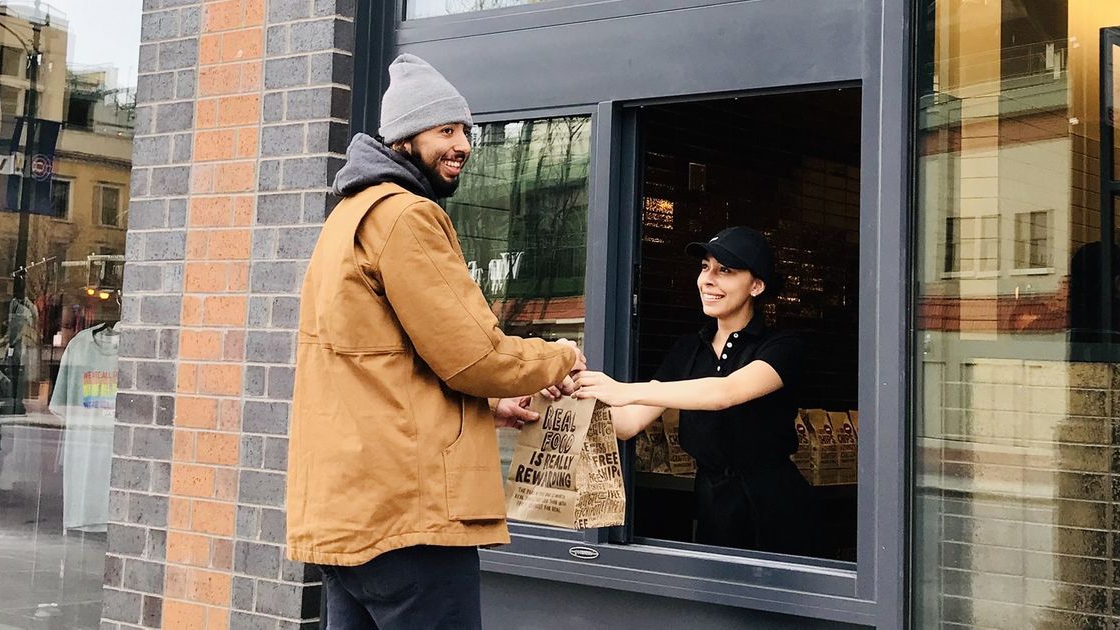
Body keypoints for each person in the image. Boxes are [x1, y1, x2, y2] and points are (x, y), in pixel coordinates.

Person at [286, 54, 584, 629]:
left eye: (465, 131)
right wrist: (559, 356)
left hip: (349, 514)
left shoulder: (347, 217)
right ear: (403, 138)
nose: (463, 144)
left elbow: (385, 363)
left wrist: (490, 408)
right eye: (445, 130)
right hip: (408, 518)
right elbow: (476, 354)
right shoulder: (405, 216)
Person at [573, 226, 810, 555]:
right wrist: (567, 392)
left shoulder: (783, 346)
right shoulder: (687, 349)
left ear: (756, 286)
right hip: (713, 501)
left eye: (724, 270)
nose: (708, 279)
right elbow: (627, 424)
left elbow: (724, 393)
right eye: (705, 267)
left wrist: (626, 390)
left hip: (774, 503)